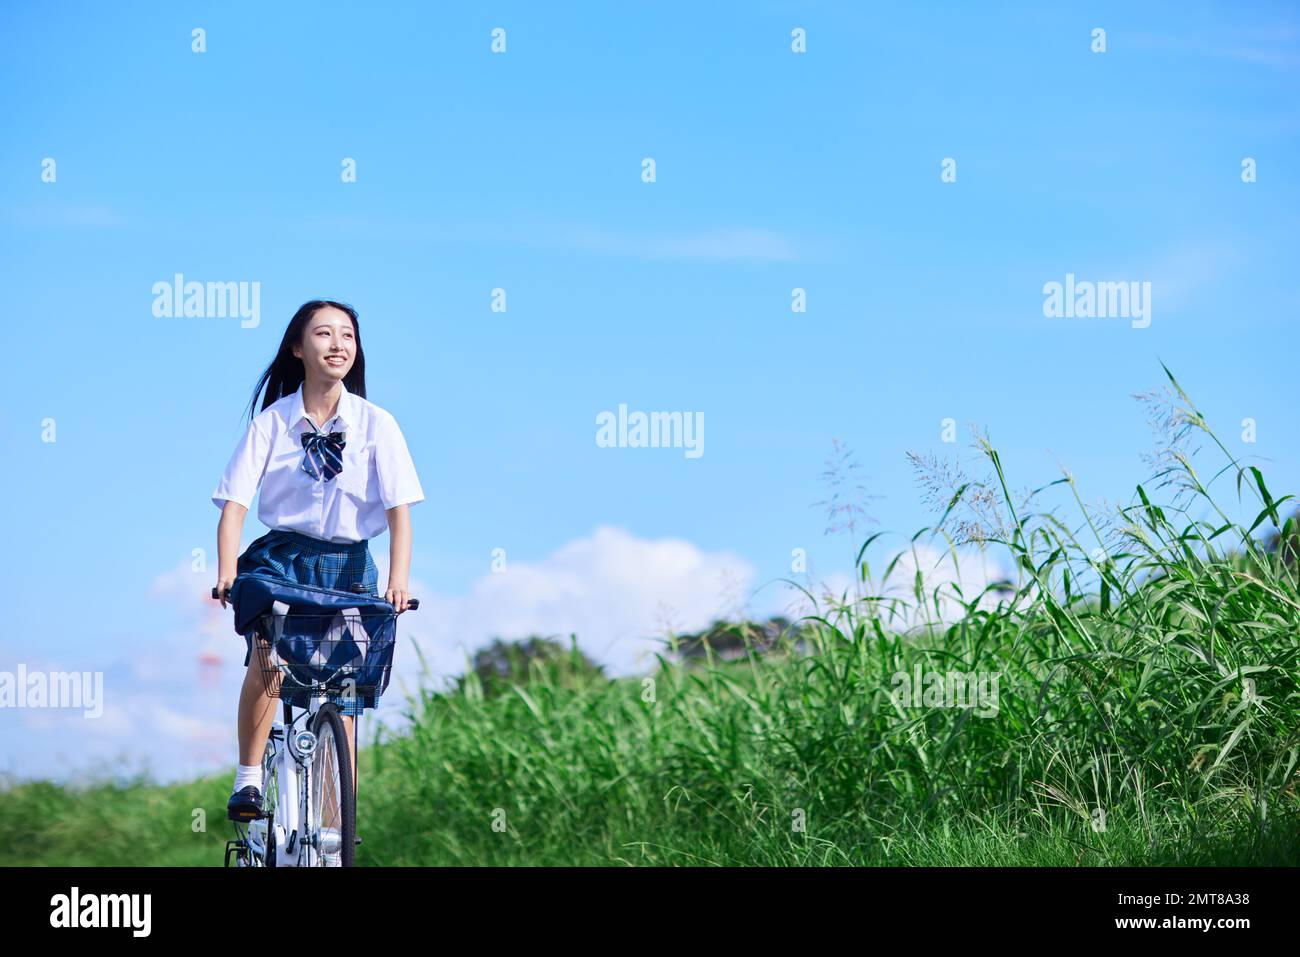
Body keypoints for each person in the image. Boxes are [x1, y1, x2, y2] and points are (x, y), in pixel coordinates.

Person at [210, 299, 424, 823]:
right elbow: (234, 505)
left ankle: (336, 828)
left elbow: (400, 514)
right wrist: (226, 572)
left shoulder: (378, 425)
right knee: (269, 663)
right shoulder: (271, 423)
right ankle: (250, 779)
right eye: (324, 334)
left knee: (344, 695)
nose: (338, 345)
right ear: (296, 347)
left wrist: (397, 583)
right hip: (282, 560)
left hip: (350, 569)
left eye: (348, 336)